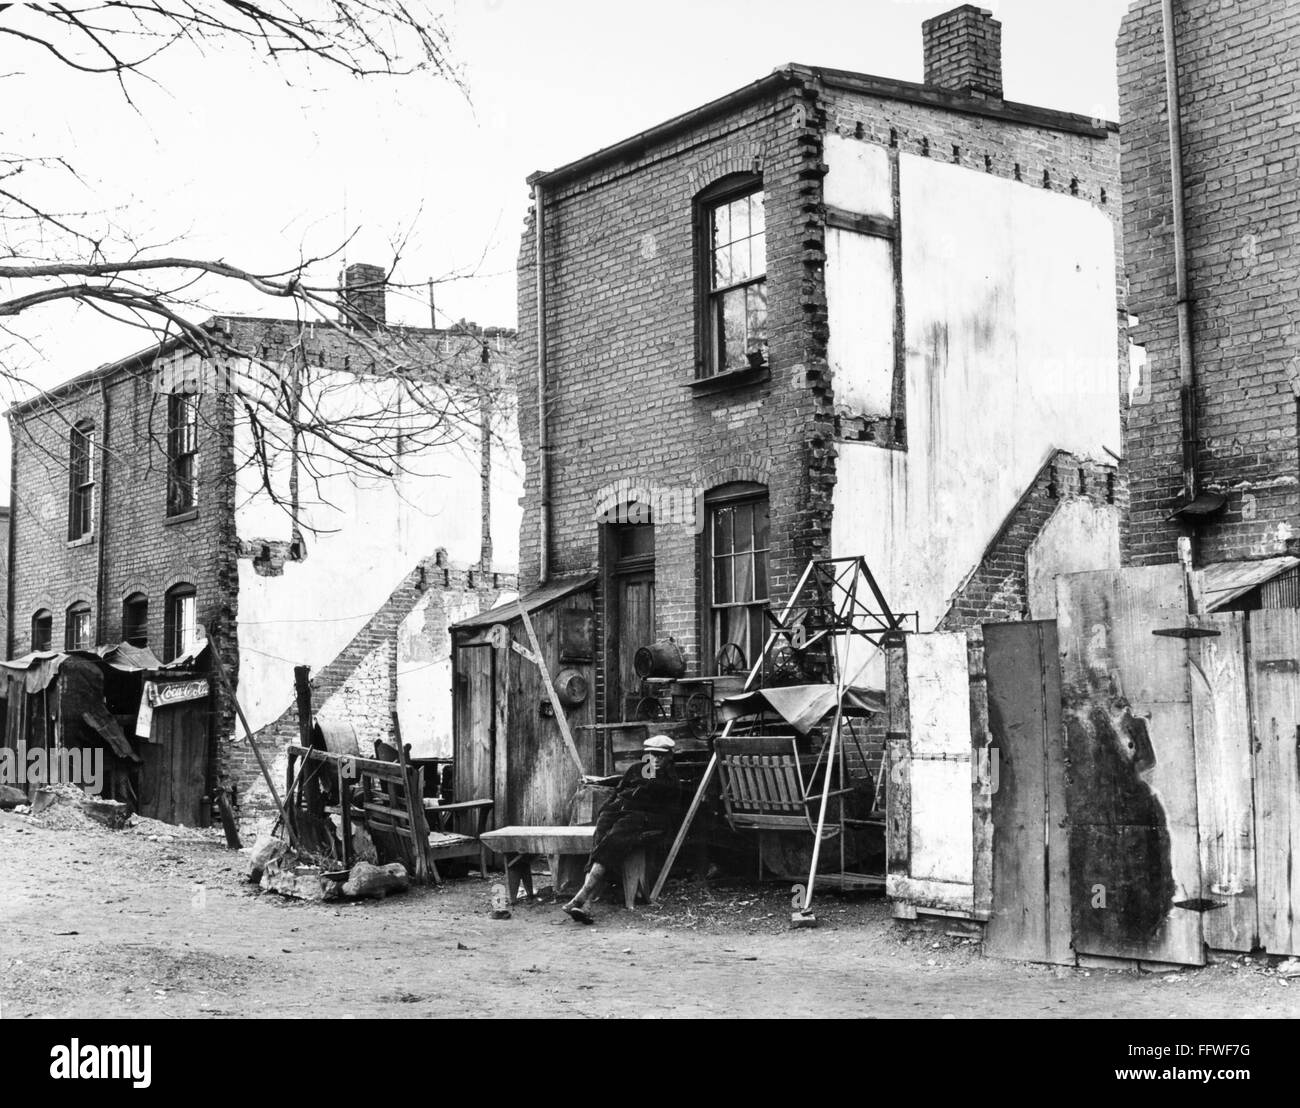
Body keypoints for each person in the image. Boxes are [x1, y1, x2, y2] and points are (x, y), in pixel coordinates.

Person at [562, 734, 679, 923]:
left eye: (660, 756)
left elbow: (652, 795)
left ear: (669, 757)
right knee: (600, 833)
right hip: (622, 812)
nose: (656, 759)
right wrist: (606, 809)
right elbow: (618, 790)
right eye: (651, 755)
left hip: (648, 818)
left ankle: (584, 896)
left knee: (614, 836)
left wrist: (648, 775)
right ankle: (585, 902)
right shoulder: (636, 769)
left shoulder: (669, 779)